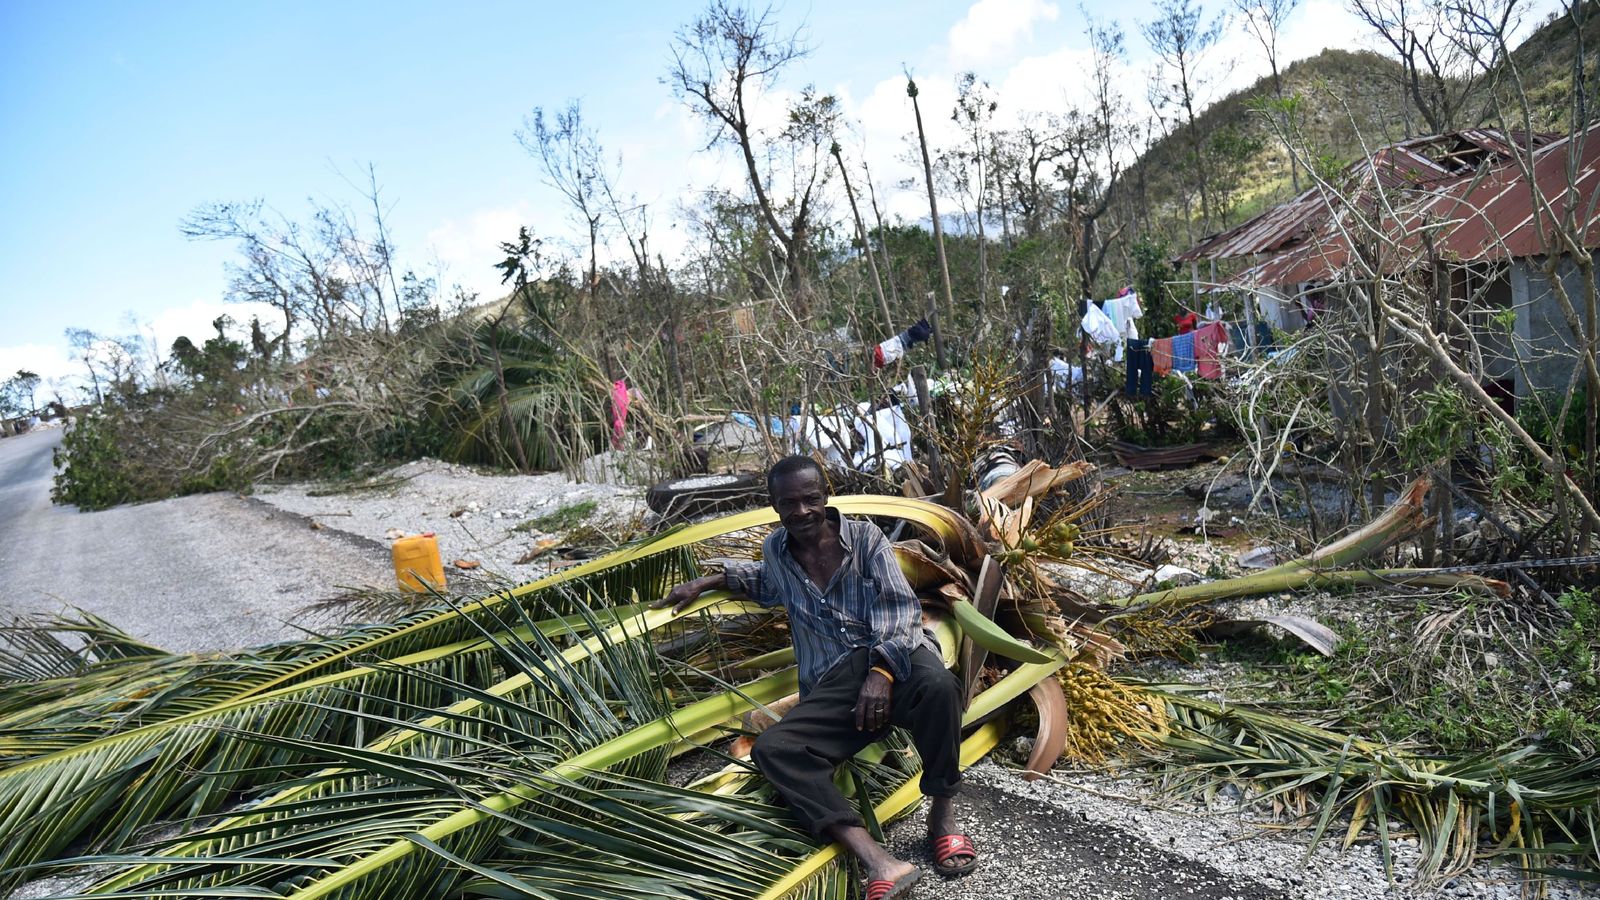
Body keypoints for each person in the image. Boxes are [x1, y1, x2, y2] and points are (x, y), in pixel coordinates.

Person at [655, 456, 977, 900]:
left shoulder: (865, 539)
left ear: (825, 496)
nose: (802, 510)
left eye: (810, 499)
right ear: (774, 505)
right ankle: (879, 861)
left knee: (939, 686)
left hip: (893, 656)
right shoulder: (777, 550)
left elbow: (899, 610)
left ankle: (942, 813)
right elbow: (764, 582)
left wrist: (880, 673)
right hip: (833, 680)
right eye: (789, 503)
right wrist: (706, 582)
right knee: (775, 750)